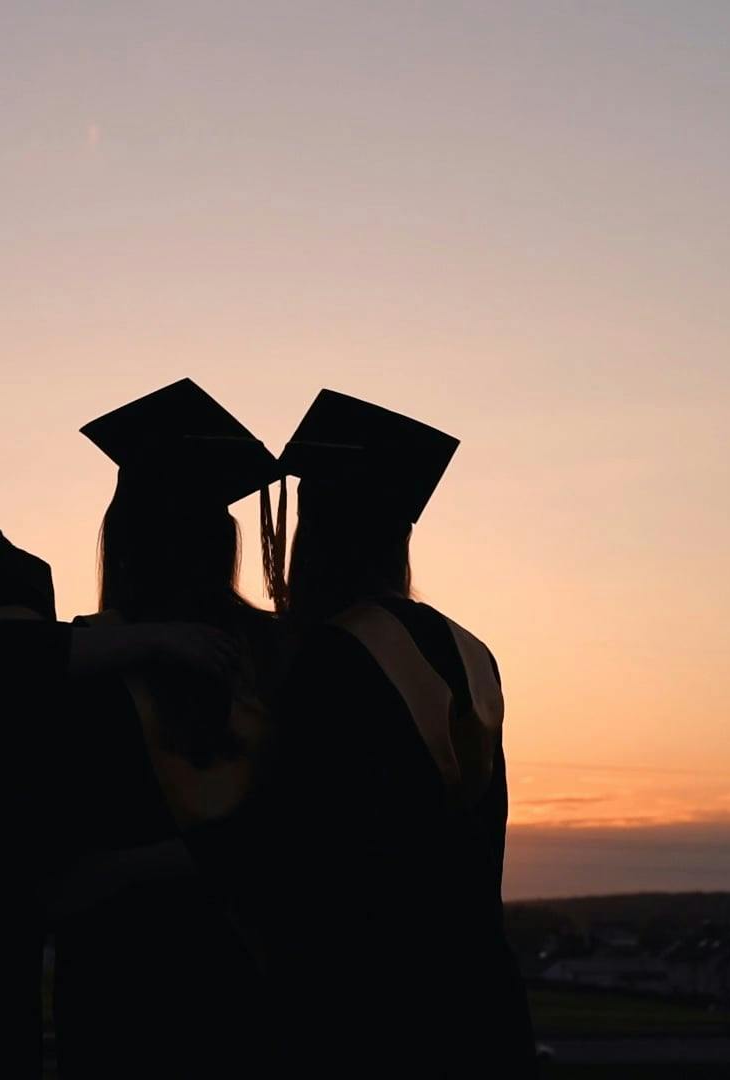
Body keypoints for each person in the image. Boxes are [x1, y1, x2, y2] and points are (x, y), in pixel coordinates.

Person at [248, 390, 536, 1076]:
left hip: (366, 1010)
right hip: (478, 999)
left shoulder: (329, 658)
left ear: (315, 533)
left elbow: (302, 855)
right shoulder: (473, 653)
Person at [48, 378, 284, 1078]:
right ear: (225, 539)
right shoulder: (287, 656)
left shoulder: (79, 667)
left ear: (122, 537)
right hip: (255, 991)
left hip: (118, 993)